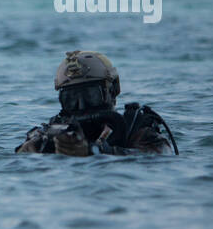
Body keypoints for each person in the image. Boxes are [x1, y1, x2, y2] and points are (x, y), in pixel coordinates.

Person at [15, 50, 177, 156]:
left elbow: (160, 155)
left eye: (91, 95)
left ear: (112, 90)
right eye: (71, 99)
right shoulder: (57, 131)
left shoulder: (134, 129)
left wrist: (95, 152)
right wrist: (33, 147)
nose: (82, 106)